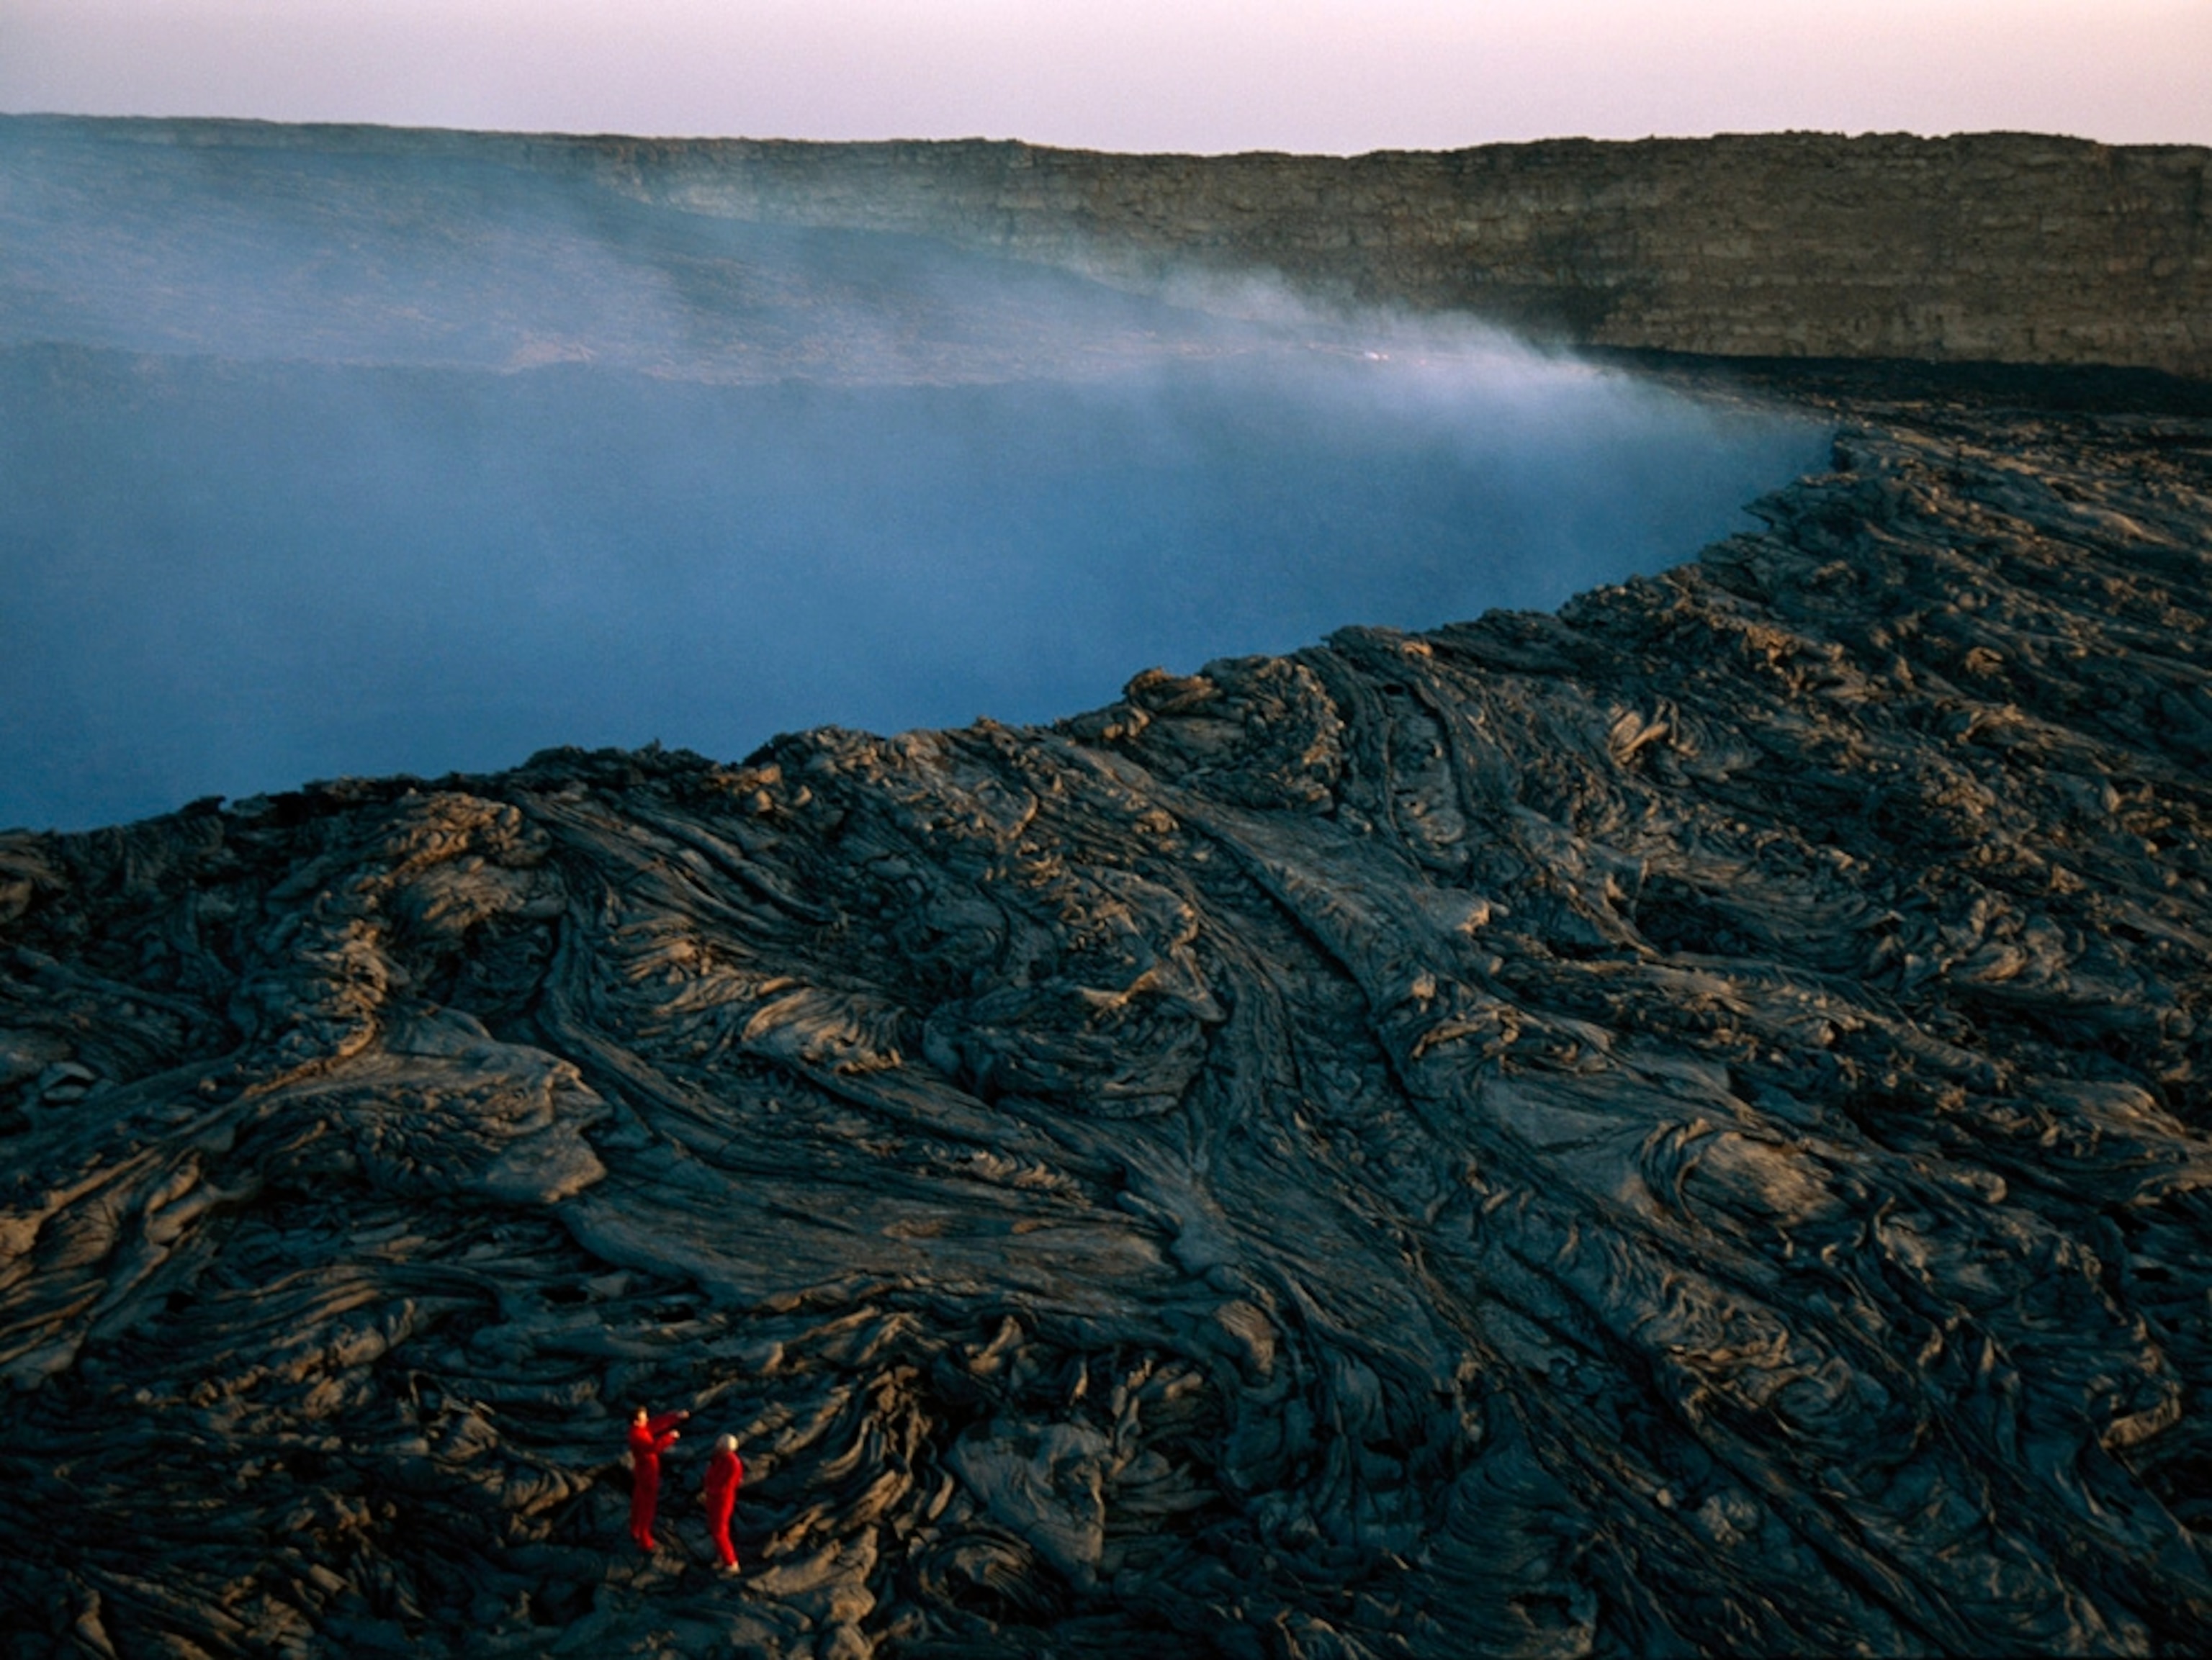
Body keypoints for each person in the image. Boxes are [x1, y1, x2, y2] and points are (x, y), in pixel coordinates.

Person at [626, 1407, 688, 1551]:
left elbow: (655, 1424)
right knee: (647, 1507)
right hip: (648, 1473)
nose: (647, 1420)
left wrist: (675, 1417)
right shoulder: (638, 1436)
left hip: (642, 1471)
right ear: (636, 1422)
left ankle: (635, 1530)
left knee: (638, 1502)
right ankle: (644, 1540)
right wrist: (671, 1437)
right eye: (643, 1418)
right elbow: (653, 1447)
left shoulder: (638, 1430)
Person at [703, 1433, 745, 1573]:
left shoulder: (733, 1464)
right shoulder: (719, 1459)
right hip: (714, 1498)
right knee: (716, 1529)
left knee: (720, 1531)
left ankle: (731, 1562)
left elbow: (728, 1485)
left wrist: (711, 1491)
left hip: (722, 1500)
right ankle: (722, 1557)